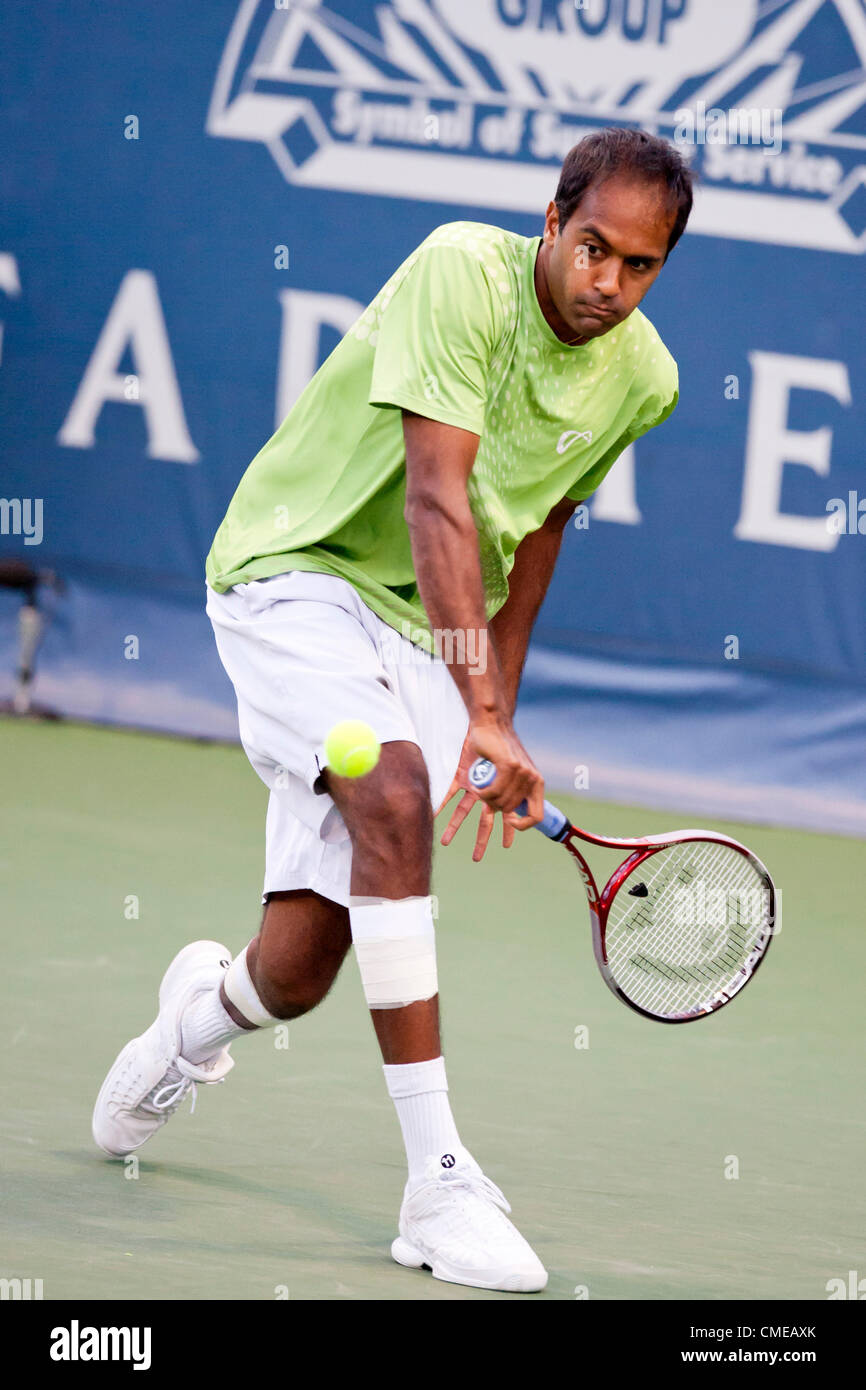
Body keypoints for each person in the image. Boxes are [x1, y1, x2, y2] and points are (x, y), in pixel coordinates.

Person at [93, 127, 693, 1293]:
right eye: (591, 249)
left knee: (302, 966)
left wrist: (494, 709)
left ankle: (187, 1024)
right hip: (296, 571)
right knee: (395, 789)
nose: (606, 286)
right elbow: (438, 498)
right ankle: (438, 1183)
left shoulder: (646, 379)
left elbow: (541, 523)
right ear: (549, 220)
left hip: (428, 628)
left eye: (638, 266)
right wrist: (478, 706)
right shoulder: (458, 272)